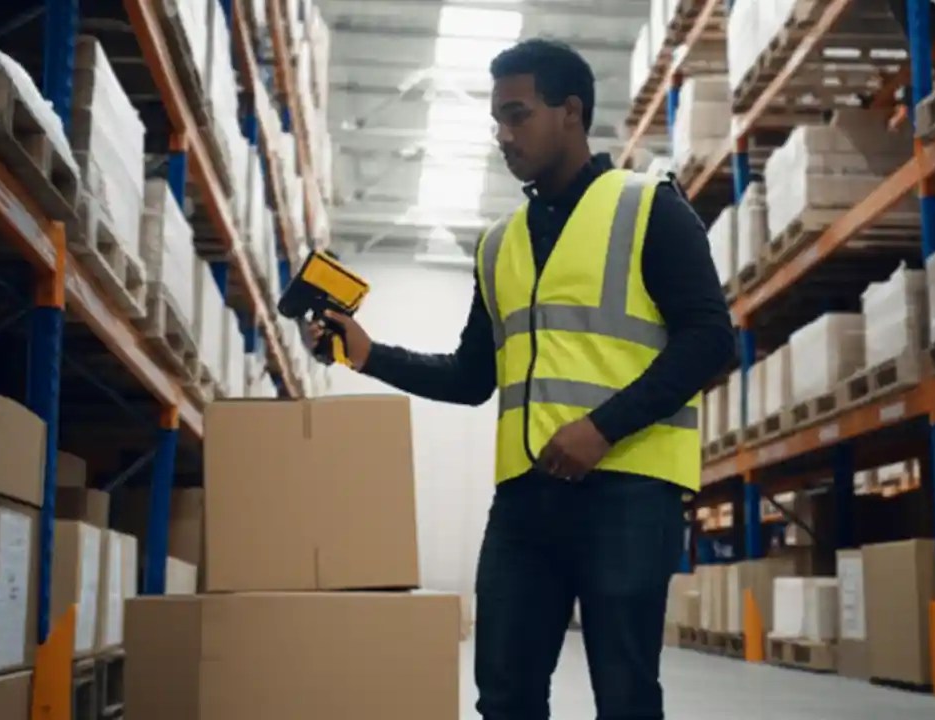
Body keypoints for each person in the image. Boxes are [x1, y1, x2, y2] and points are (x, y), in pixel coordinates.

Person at [312, 38, 734, 720]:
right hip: (524, 504)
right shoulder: (498, 243)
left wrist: (602, 428)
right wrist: (367, 354)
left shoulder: (647, 207)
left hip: (627, 492)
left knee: (625, 695)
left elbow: (713, 339)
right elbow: (472, 376)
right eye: (498, 121)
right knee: (504, 696)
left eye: (518, 115)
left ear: (571, 111)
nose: (504, 136)